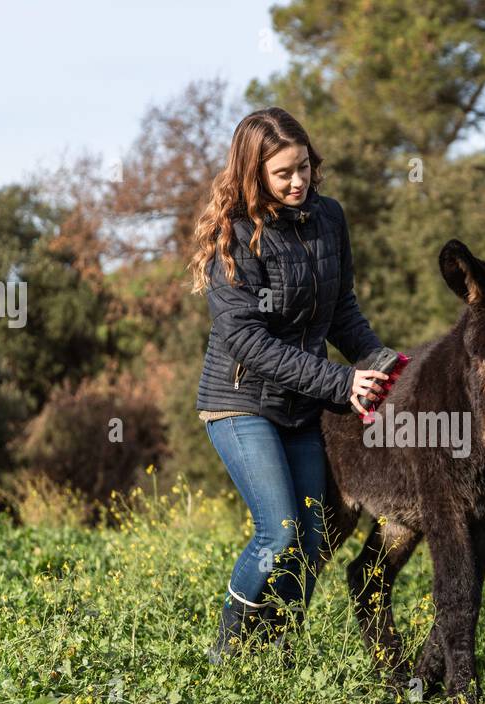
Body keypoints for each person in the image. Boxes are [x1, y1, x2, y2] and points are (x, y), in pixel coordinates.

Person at [188, 106, 393, 662]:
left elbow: (342, 311)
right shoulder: (233, 236)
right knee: (279, 533)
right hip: (239, 402)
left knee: (314, 539)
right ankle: (228, 650)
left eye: (303, 167)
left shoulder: (330, 218)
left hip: (303, 404)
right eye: (284, 174)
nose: (298, 181)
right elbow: (247, 342)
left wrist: (382, 362)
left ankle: (276, 653)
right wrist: (339, 380)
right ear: (255, 176)